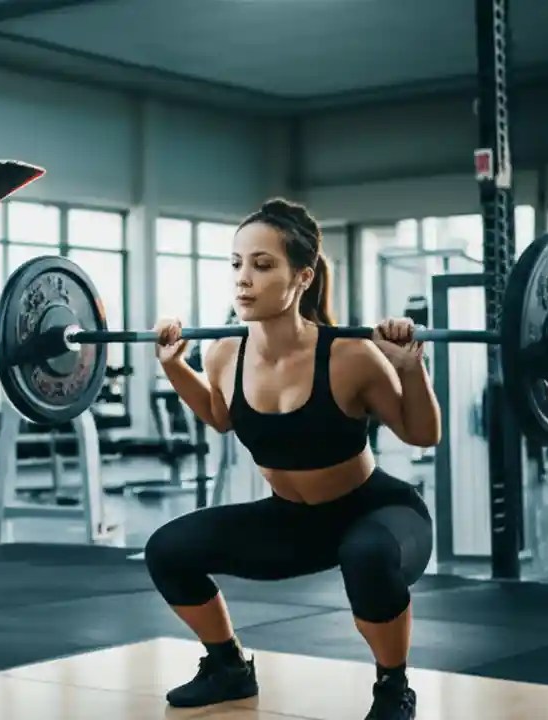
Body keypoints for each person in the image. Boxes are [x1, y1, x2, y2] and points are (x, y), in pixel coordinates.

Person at [146, 198, 438, 720]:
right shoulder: (224, 354)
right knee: (168, 550)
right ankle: (228, 667)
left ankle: (393, 688)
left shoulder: (350, 355)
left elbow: (422, 434)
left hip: (378, 513)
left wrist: (410, 368)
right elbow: (219, 416)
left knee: (366, 555)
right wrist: (174, 368)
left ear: (302, 277)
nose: (243, 278)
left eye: (262, 265)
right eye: (237, 263)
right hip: (293, 522)